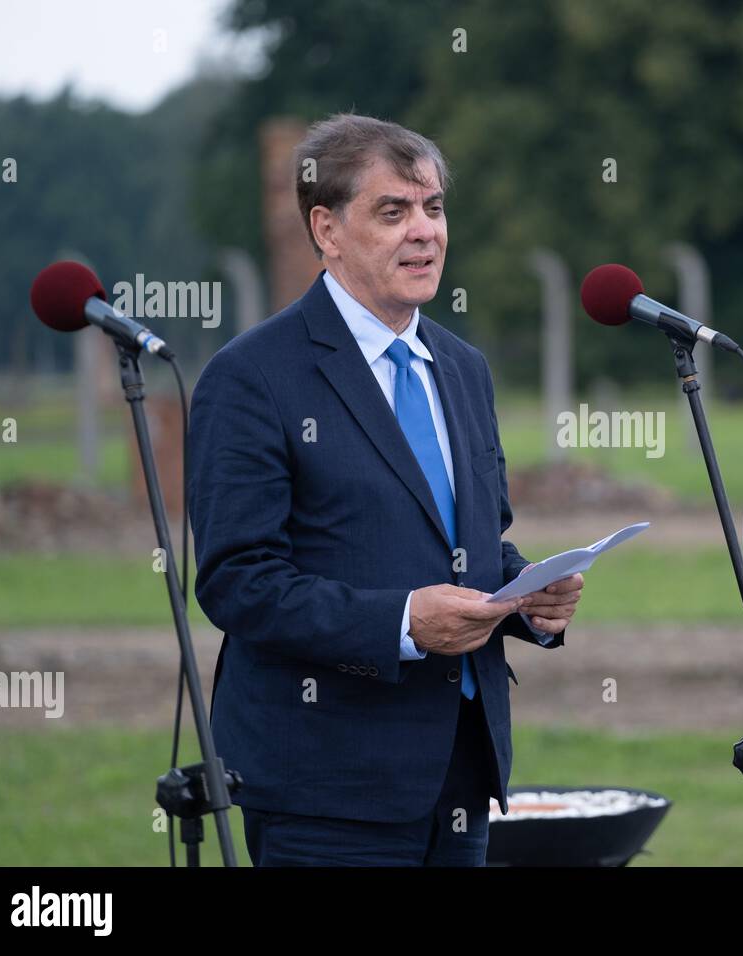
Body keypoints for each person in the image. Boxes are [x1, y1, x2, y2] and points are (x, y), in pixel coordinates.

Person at [186, 113, 584, 866]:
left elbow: (470, 540)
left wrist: (528, 601)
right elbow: (238, 581)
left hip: (463, 773)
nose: (424, 231)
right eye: (393, 211)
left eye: (433, 208)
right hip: (326, 789)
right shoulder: (252, 378)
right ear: (327, 230)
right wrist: (402, 622)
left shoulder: (462, 367)